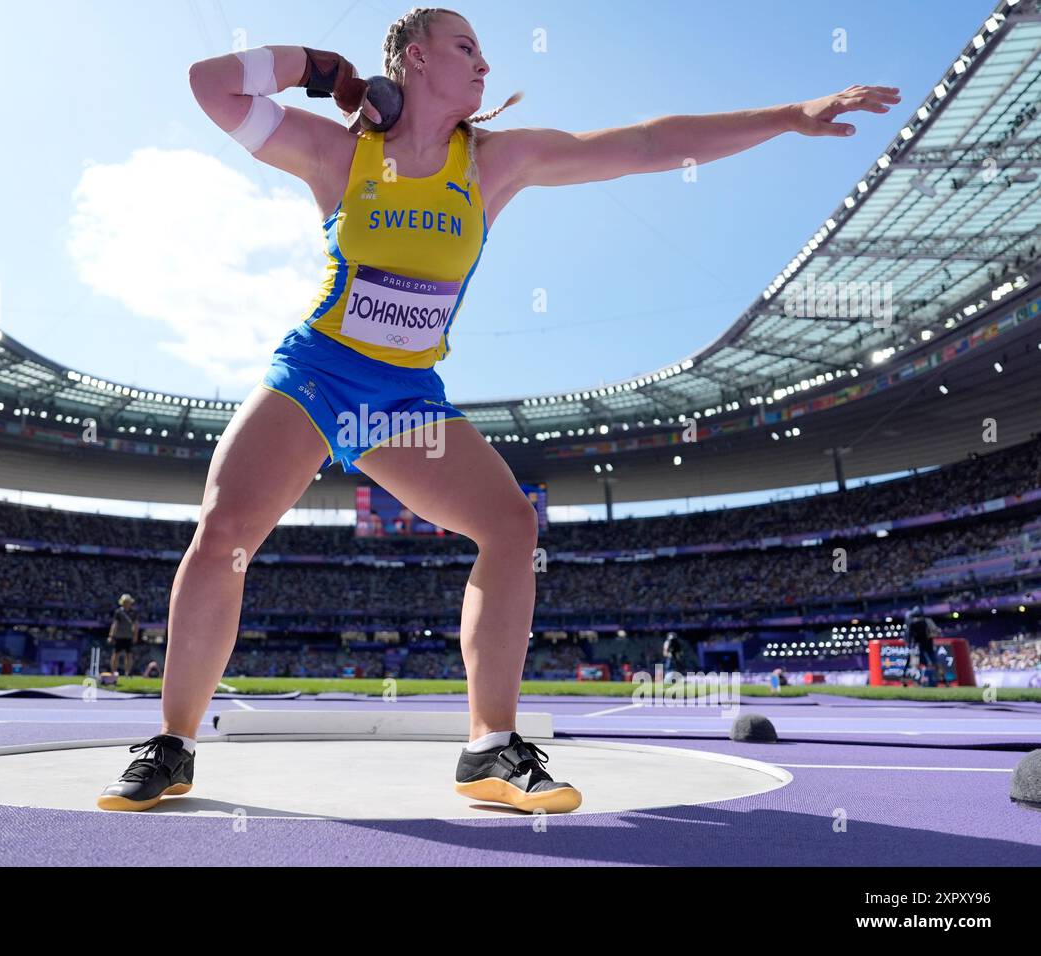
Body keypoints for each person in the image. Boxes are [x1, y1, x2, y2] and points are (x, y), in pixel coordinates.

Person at [98, 6, 898, 814]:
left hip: (405, 400)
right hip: (317, 378)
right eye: (466, 47)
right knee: (225, 531)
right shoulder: (340, 152)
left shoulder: (494, 161)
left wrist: (789, 117)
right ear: (414, 58)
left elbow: (649, 144)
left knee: (511, 526)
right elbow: (212, 85)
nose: (485, 65)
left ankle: (489, 748)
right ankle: (171, 745)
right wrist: (324, 70)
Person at [108, 594, 140, 677]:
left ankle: (127, 672)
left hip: (128, 636)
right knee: (116, 654)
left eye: (128, 602)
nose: (127, 604)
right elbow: (115, 624)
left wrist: (135, 635)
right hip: (119, 636)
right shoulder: (118, 612)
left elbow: (136, 625)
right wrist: (111, 635)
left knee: (129, 655)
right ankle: (114, 671)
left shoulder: (133, 613)